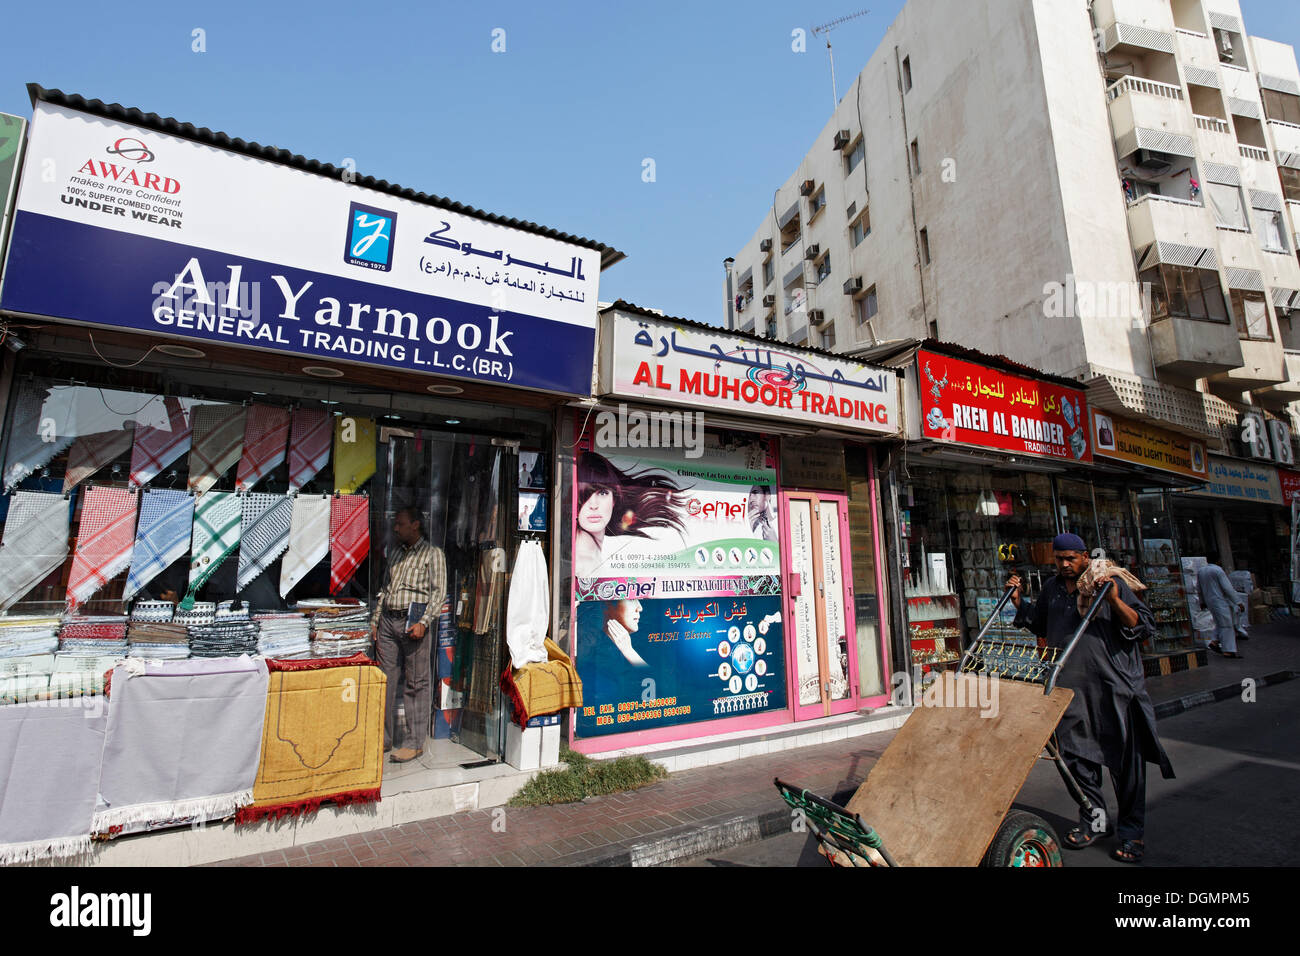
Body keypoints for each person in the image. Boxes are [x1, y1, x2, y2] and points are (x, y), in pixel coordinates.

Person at [1006, 533, 1174, 864]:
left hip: (1115, 690)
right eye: (1059, 559)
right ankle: (1095, 820)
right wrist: (1018, 602)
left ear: (1085, 556)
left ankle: (1132, 832)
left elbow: (1143, 626)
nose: (1065, 564)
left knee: (1126, 766)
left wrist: (1113, 601)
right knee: (1076, 761)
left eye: (1071, 558)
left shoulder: (1106, 582)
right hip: (1071, 692)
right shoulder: (1053, 589)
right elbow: (1040, 623)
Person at [371, 507, 446, 763]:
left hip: (413, 622)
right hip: (389, 622)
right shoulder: (395, 554)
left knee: (417, 682)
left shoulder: (433, 554)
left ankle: (414, 743)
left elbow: (439, 593)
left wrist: (424, 622)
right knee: (385, 681)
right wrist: (375, 620)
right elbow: (385, 588)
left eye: (400, 524)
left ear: (415, 525)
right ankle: (383, 738)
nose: (396, 528)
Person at [574, 451, 689, 578]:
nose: (593, 505)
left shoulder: (593, 556)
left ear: (614, 499)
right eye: (583, 494)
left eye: (602, 493)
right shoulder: (583, 563)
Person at [1198, 552, 1245, 659]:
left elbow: (1199, 588)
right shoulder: (1218, 570)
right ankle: (1228, 651)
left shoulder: (1201, 571)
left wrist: (1202, 602)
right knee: (1227, 625)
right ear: (1218, 560)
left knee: (1220, 623)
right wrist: (1238, 602)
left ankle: (1214, 641)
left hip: (1210, 602)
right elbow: (1227, 588)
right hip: (1220, 601)